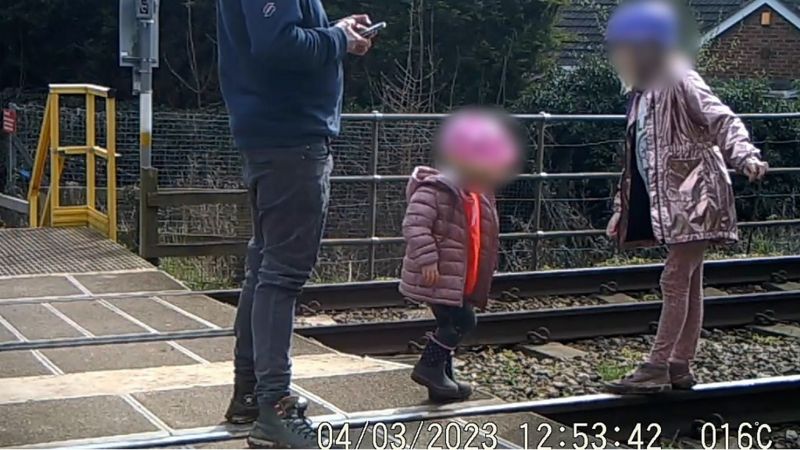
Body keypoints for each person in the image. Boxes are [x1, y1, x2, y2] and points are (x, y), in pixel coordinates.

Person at [216, 0, 373, 447]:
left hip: (271, 137)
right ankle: (273, 408)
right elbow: (278, 45)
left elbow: (282, 35)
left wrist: (334, 31)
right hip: (292, 140)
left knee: (264, 270)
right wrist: (339, 39)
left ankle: (251, 394)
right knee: (281, 275)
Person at [603, 0, 769, 395]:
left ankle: (657, 365)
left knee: (675, 277)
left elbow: (720, 117)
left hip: (698, 198)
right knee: (688, 281)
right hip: (679, 203)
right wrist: (620, 208)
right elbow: (640, 160)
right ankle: (679, 364)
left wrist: (744, 155)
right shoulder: (642, 94)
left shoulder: (678, 78)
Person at [399, 109, 520, 402]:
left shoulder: (479, 195)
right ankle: (429, 368)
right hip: (438, 274)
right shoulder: (436, 190)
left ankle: (443, 382)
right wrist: (428, 259)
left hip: (460, 277)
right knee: (462, 322)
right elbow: (414, 225)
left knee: (449, 324)